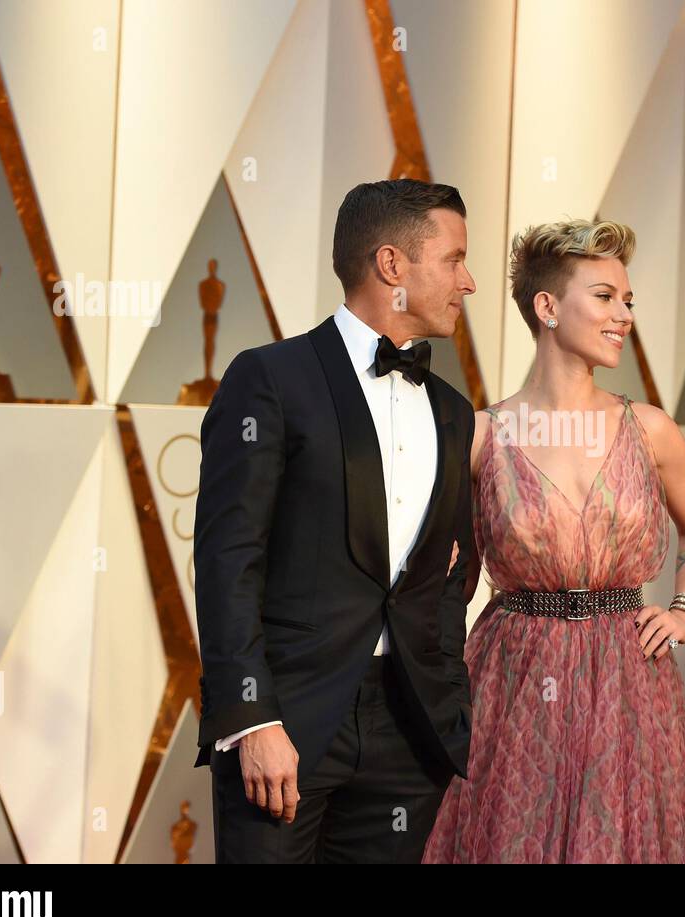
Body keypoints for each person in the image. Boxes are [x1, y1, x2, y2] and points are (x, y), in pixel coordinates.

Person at [194, 179, 478, 863]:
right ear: (391, 266)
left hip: (408, 737)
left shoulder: (452, 408)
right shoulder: (270, 379)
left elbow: (452, 572)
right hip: (285, 722)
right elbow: (228, 559)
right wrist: (251, 716)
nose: (468, 282)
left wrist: (444, 704)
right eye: (454, 259)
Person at [422, 219, 685, 862]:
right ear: (548, 306)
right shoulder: (480, 437)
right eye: (606, 297)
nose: (624, 316)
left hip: (628, 682)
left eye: (629, 301)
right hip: (515, 679)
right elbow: (447, 574)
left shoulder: (650, 430)